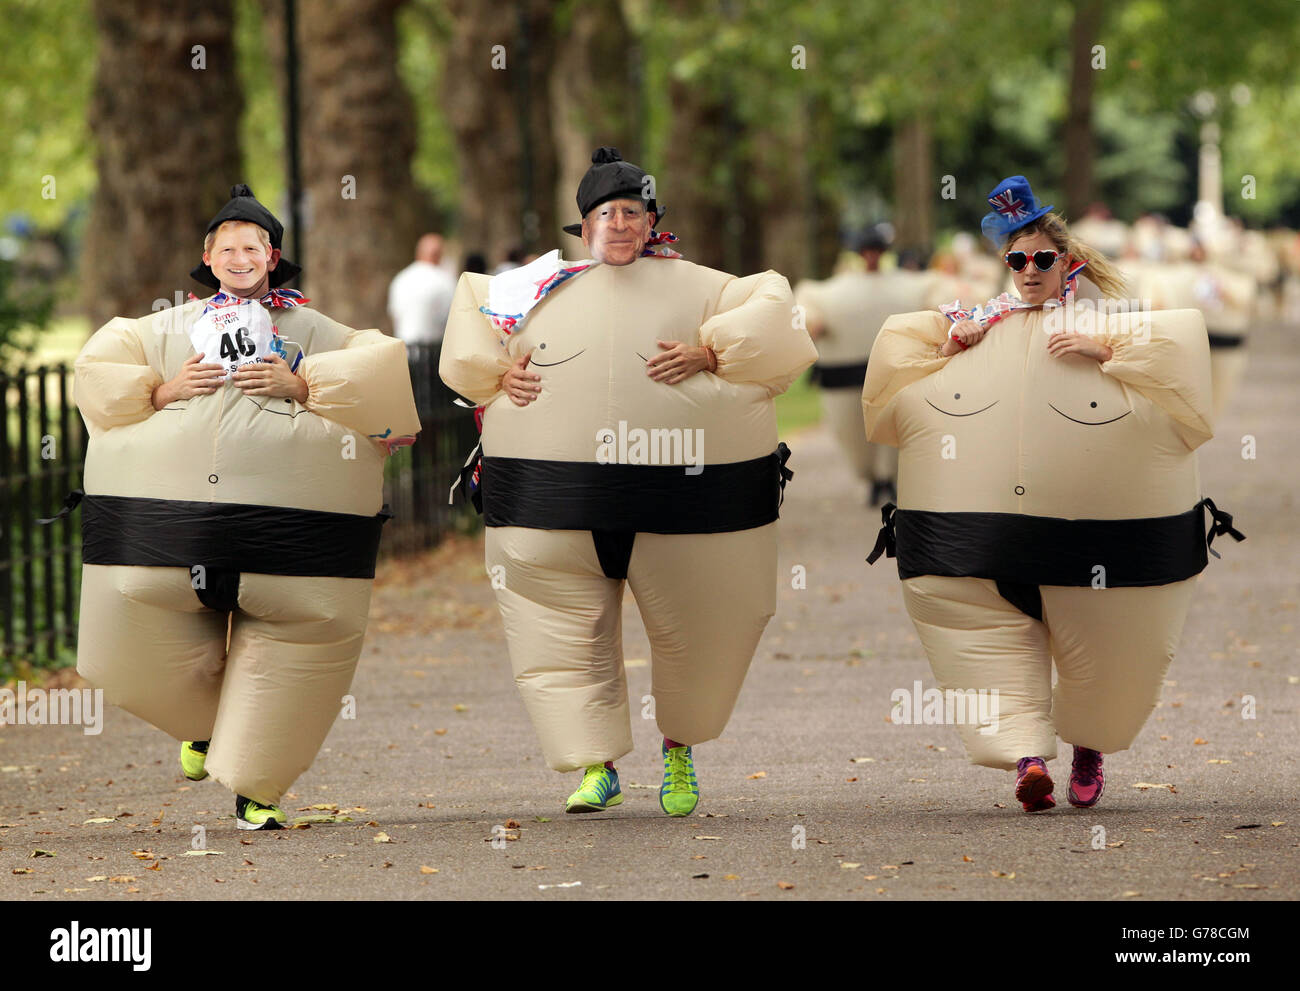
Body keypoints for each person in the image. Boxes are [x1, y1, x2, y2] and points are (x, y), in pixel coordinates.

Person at [440, 147, 816, 817]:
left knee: (697, 630)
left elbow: (779, 322)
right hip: (556, 506)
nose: (619, 224)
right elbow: (466, 332)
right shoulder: (533, 292)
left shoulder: (706, 288)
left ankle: (679, 752)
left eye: (632, 213)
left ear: (653, 224)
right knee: (562, 634)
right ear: (583, 226)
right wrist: (498, 374)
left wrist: (711, 351)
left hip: (686, 506)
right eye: (605, 213)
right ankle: (595, 765)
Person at [863, 175, 1243, 812]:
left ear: (1068, 261)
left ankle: (1089, 746)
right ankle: (1028, 759)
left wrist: (1104, 350)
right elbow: (890, 382)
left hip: (1104, 543)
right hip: (982, 540)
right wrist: (951, 345)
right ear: (1005, 264)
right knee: (990, 643)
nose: (1030, 270)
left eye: (1042, 258)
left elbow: (1185, 384)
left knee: (1104, 650)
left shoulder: (1109, 324)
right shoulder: (978, 322)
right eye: (1017, 259)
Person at [70, 184, 419, 829]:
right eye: (226, 247)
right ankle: (199, 725)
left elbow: (390, 407)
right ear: (208, 256)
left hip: (291, 545)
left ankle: (257, 790)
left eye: (251, 246)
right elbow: (96, 376)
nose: (239, 257)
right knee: (149, 656)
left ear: (272, 255)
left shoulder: (317, 333)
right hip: (172, 535)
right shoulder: (163, 330)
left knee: (292, 658)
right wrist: (166, 390)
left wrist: (302, 383)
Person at [795, 223, 932, 506]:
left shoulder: (910, 285)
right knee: (853, 431)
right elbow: (808, 314)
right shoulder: (825, 292)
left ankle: (887, 476)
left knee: (892, 425)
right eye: (867, 251)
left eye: (876, 250)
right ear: (859, 253)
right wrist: (809, 324)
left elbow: (937, 295)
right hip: (844, 374)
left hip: (892, 370)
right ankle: (871, 477)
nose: (872, 256)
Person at [388, 233, 456, 345]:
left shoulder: (400, 278)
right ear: (438, 255)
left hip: (404, 347)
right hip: (433, 351)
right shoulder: (444, 280)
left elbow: (395, 314)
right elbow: (451, 317)